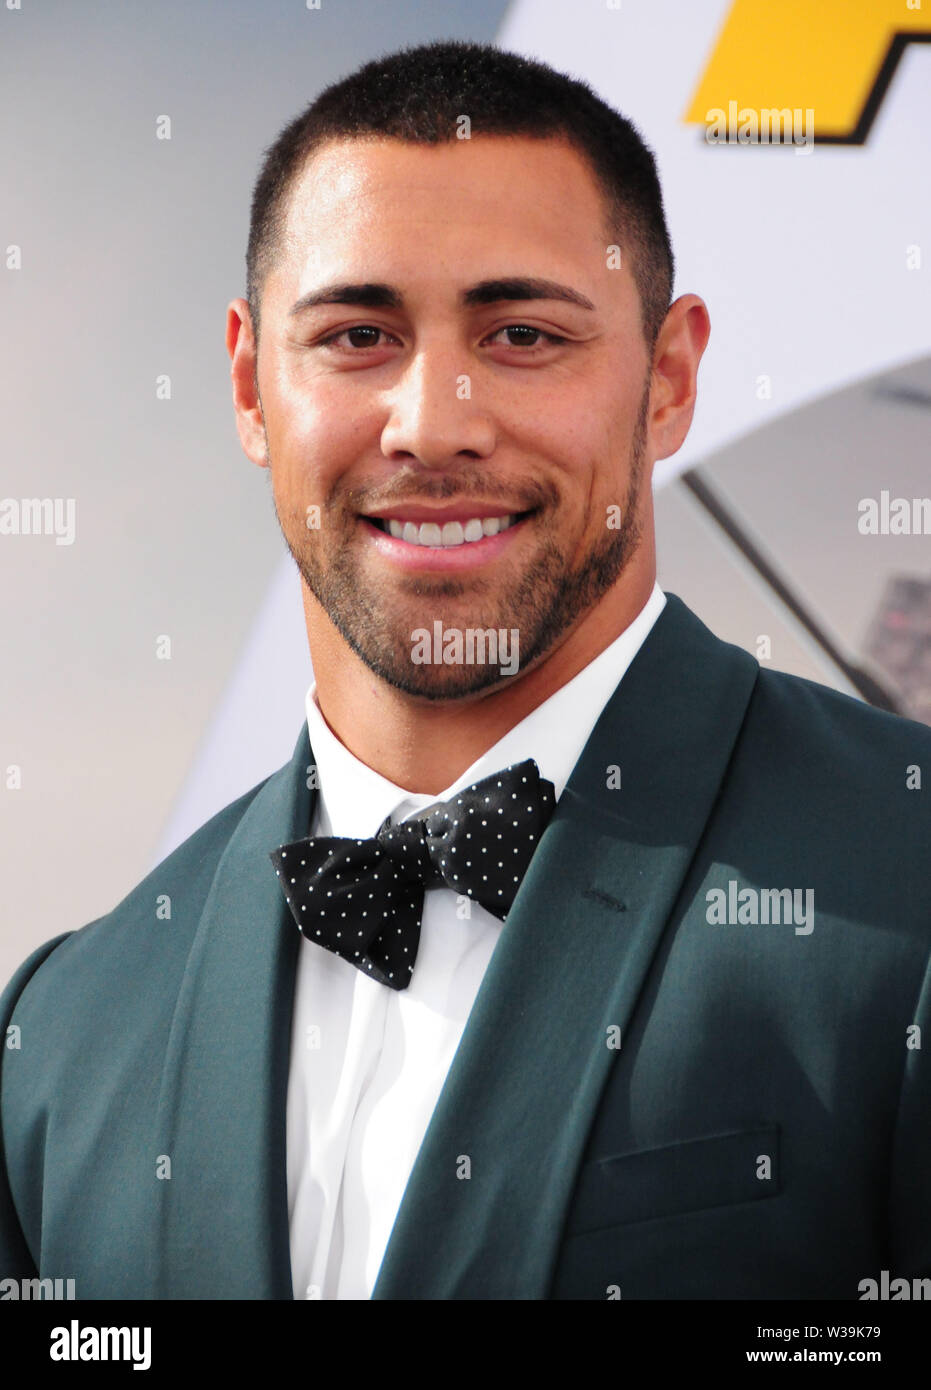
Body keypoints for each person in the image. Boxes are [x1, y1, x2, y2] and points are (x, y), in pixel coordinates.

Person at [1, 39, 929, 1303]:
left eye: (523, 332)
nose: (434, 423)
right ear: (249, 383)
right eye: (358, 334)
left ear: (665, 379)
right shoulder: (57, 1033)